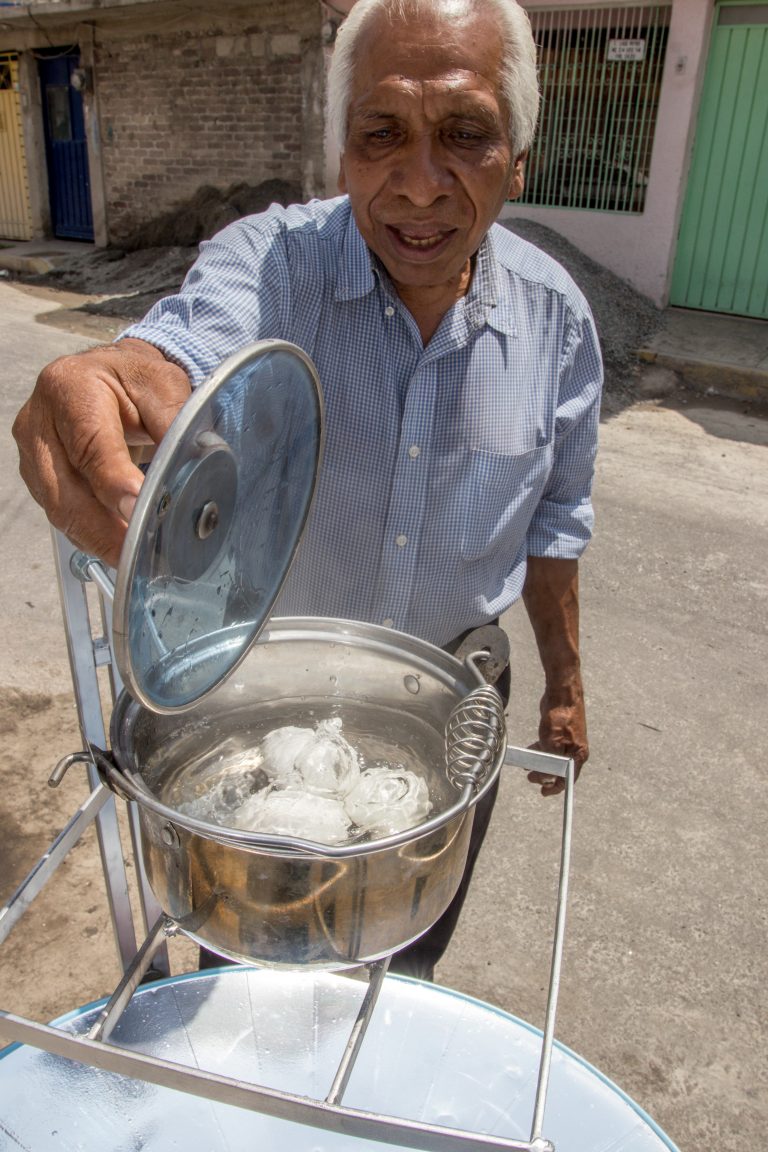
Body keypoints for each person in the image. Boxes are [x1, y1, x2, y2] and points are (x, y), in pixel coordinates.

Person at [13, 0, 601, 979]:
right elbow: (187, 344)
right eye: (383, 135)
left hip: (451, 722)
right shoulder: (269, 264)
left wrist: (567, 691)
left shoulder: (560, 326)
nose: (420, 183)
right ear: (341, 156)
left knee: (404, 966)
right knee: (246, 982)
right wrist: (121, 374)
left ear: (518, 159)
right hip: (260, 726)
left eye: (465, 134)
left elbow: (554, 523)